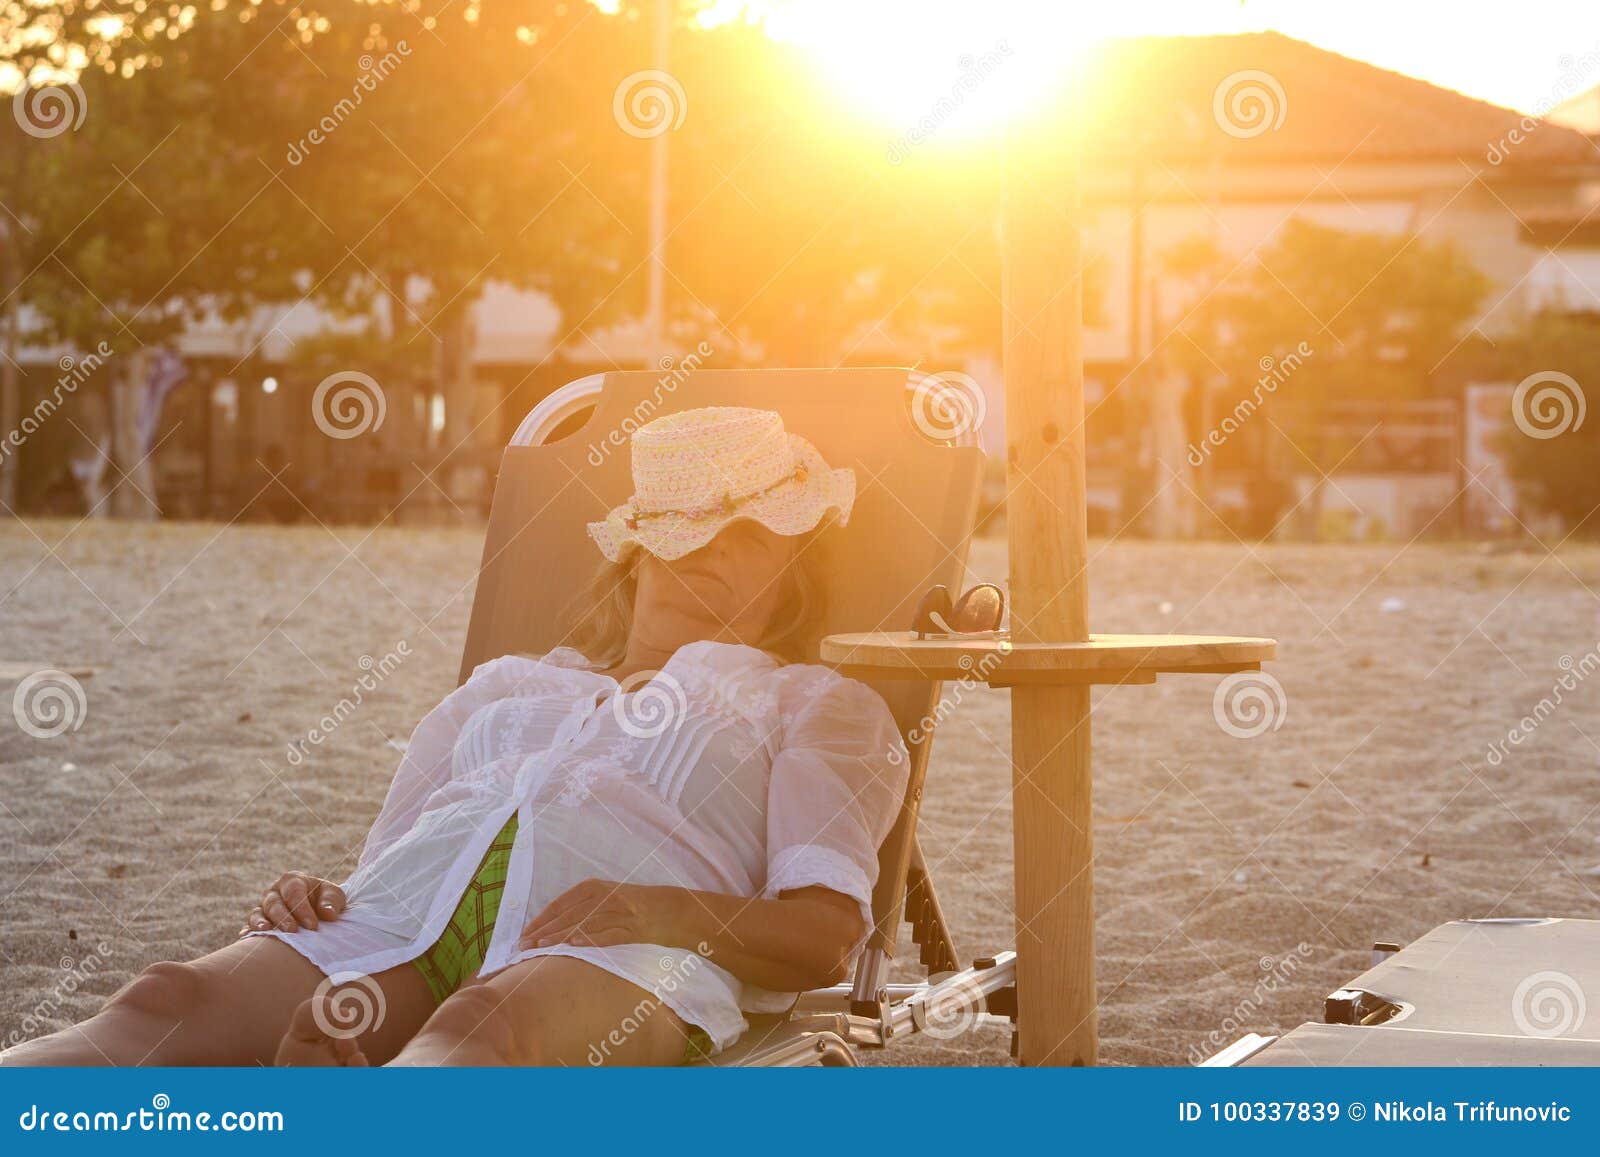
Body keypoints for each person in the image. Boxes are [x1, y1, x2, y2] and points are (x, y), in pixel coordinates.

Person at [5, 406, 906, 1067]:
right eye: (685, 522)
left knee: (485, 1030)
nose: (711, 546)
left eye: (751, 528)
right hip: (404, 928)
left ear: (795, 562)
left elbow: (824, 938)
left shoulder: (813, 703)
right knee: (168, 999)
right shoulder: (510, 684)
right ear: (638, 545)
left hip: (617, 960)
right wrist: (315, 892)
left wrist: (655, 908)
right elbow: (388, 859)